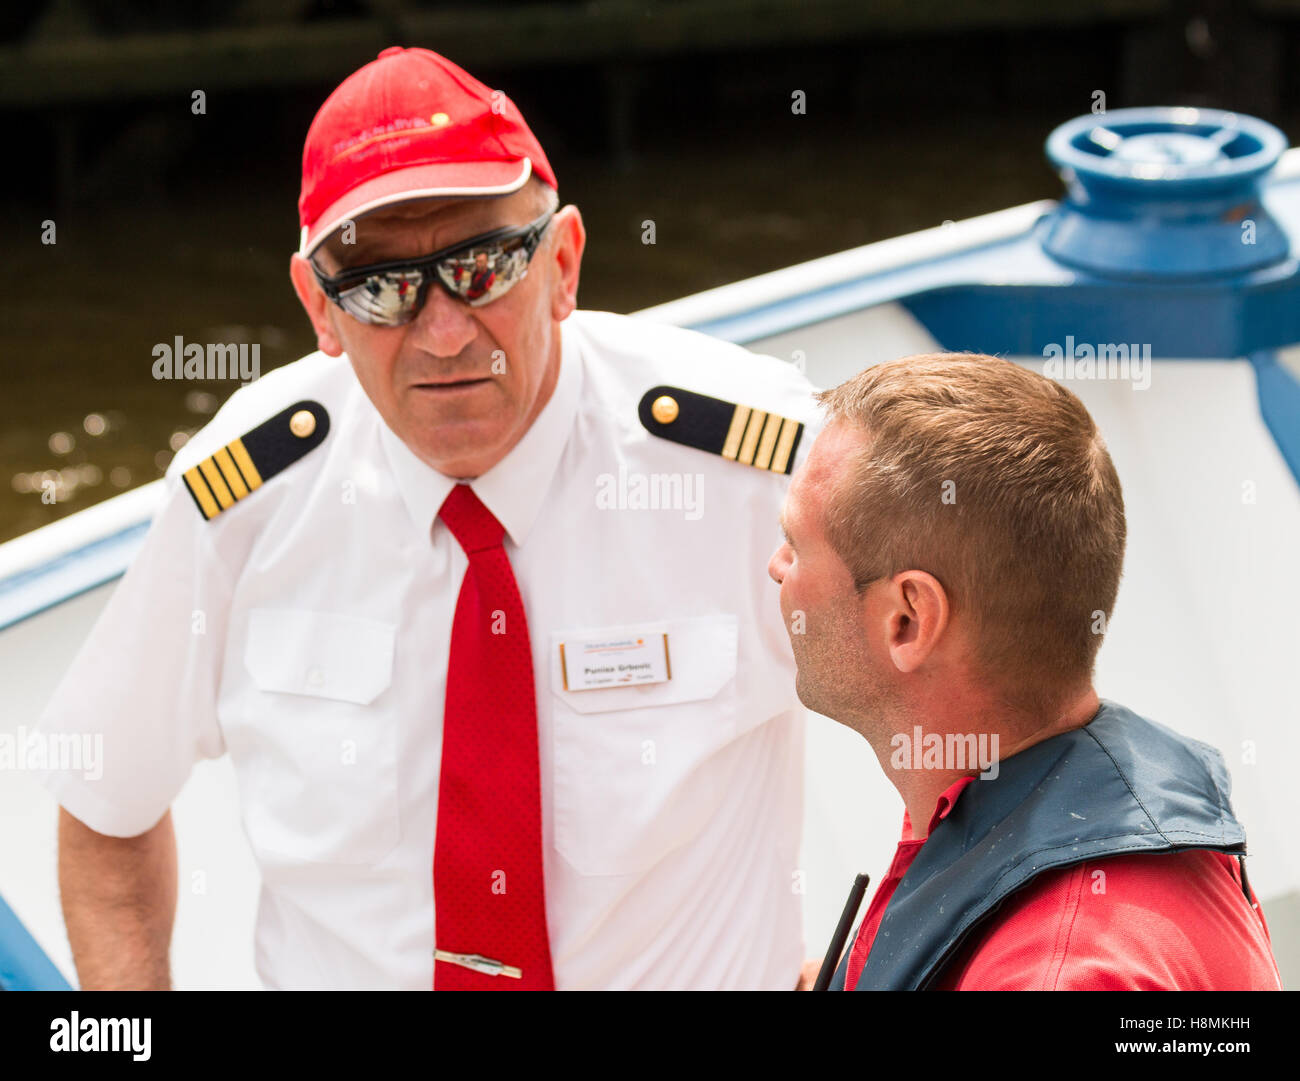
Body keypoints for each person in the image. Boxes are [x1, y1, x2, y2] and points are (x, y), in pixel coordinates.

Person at [36, 46, 820, 991]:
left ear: (563, 264)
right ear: (318, 309)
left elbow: (952, 705)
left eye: (485, 266)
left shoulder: (747, 463)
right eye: (379, 286)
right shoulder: (245, 497)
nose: (444, 332)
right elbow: (105, 806)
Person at [769, 352, 1283, 990]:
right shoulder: (1004, 779)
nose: (777, 566)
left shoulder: (1059, 969)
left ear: (907, 620)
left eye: (798, 543)